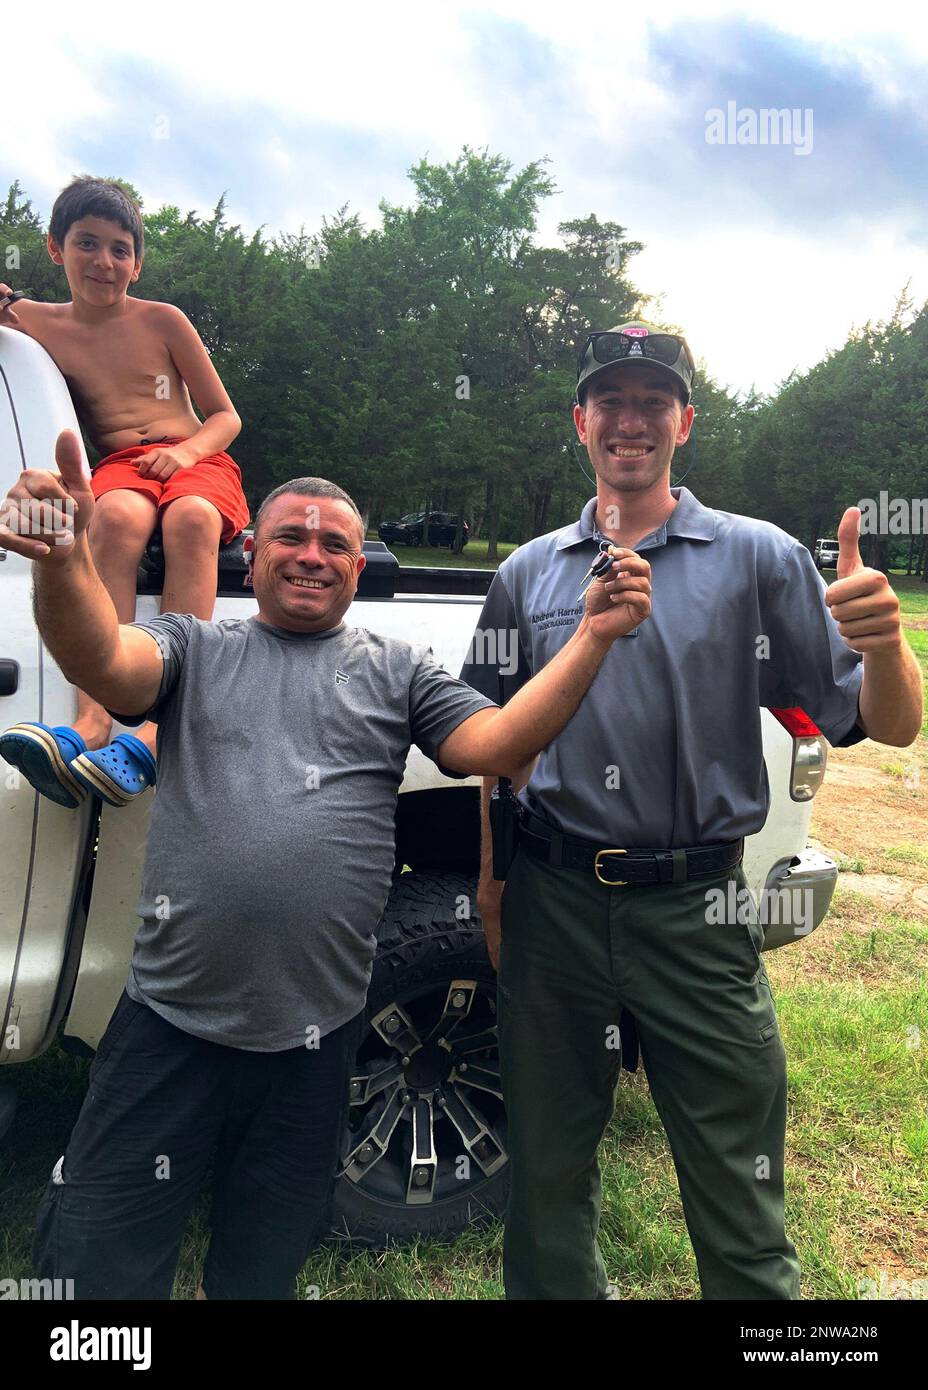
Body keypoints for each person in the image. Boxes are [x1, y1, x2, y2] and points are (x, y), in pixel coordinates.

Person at [0, 429, 650, 1300]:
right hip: (167, 1029)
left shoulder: (399, 671)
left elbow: (497, 741)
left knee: (262, 1266)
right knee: (98, 1264)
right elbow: (99, 657)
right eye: (291, 539)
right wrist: (63, 561)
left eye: (334, 543)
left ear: (358, 563)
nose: (312, 556)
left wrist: (596, 637)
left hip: (315, 1044)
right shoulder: (196, 647)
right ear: (251, 551)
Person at [461, 320, 923, 1301]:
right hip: (552, 901)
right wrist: (493, 885)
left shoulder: (754, 557)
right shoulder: (526, 573)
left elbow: (882, 726)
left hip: (697, 910)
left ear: (684, 422)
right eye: (611, 402)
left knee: (738, 1188)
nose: (631, 420)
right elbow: (495, 754)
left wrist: (887, 648)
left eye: (653, 402)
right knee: (544, 1181)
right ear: (580, 420)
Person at [0, 175, 249, 808]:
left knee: (191, 521)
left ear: (136, 264)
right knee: (110, 520)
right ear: (56, 250)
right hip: (122, 468)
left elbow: (225, 416)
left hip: (193, 458)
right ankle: (93, 721)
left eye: (119, 249)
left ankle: (162, 732)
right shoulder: (32, 321)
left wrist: (186, 451)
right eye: (87, 243)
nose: (103, 261)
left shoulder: (164, 320)